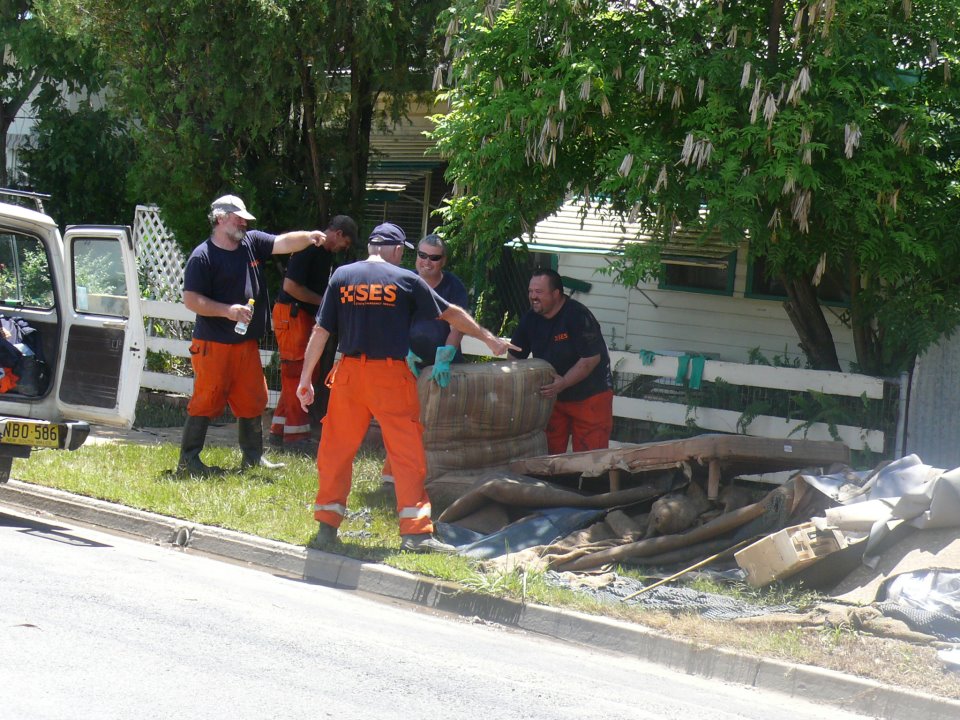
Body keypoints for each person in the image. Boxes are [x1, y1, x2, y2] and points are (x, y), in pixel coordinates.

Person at [296, 222, 516, 553]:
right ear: (397, 250)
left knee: (336, 451)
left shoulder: (341, 277)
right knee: (407, 454)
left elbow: (321, 331)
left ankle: (327, 528)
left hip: (349, 375)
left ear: (371, 246)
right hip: (390, 377)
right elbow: (451, 314)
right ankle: (415, 534)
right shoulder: (405, 280)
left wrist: (305, 380)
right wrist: (489, 338)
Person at [176, 194, 328, 476]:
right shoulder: (202, 256)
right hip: (213, 343)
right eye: (239, 218)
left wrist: (310, 236)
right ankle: (188, 460)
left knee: (252, 399)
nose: (244, 222)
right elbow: (191, 300)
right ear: (221, 219)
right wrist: (227, 311)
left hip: (245, 344)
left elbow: (283, 243)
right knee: (206, 400)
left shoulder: (251, 242)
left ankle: (253, 458)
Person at [381, 233, 469, 486]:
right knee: (402, 418)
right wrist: (403, 351)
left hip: (443, 366)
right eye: (422, 255)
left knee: (440, 422)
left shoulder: (454, 286)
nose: (426, 262)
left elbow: (459, 324)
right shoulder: (404, 281)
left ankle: (432, 477)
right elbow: (392, 322)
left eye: (434, 258)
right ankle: (393, 477)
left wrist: (446, 356)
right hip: (408, 362)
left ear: (443, 261)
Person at [269, 215, 357, 452]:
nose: (343, 249)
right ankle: (297, 439)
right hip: (292, 314)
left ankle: (279, 431)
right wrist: (325, 303)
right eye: (345, 243)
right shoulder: (309, 246)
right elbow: (290, 287)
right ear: (338, 233)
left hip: (301, 315)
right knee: (297, 372)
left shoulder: (323, 254)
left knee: (302, 370)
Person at [509, 268, 614, 455]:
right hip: (553, 398)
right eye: (530, 292)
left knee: (591, 459)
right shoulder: (530, 319)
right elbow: (514, 357)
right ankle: (554, 484)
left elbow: (591, 359)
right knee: (548, 455)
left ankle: (592, 484)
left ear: (556, 293)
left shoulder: (578, 316)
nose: (533, 297)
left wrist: (563, 382)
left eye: (539, 292)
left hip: (590, 396)